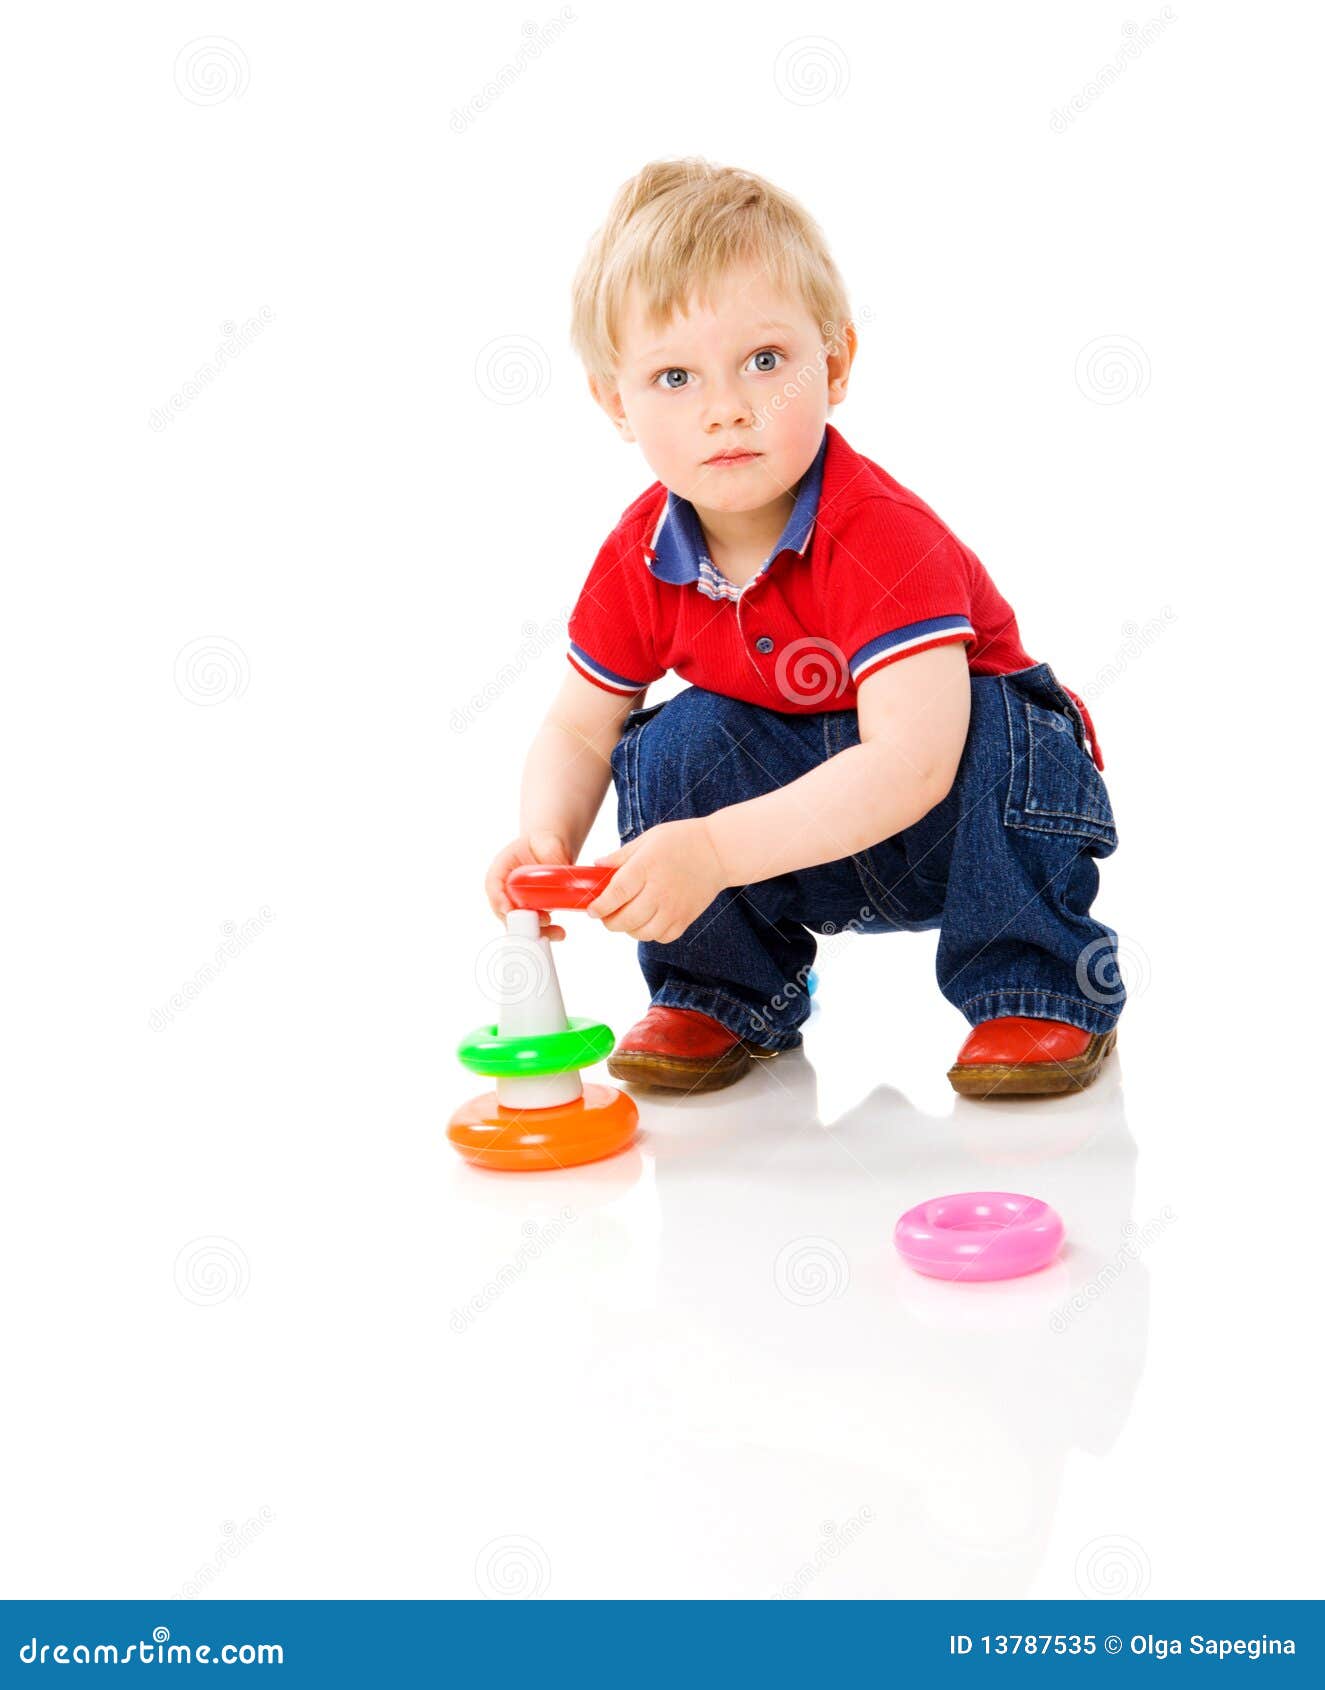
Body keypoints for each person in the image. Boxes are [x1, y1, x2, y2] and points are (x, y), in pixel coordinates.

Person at [484, 157, 1124, 1097]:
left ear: (835, 363)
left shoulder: (880, 536)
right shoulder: (639, 555)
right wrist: (545, 840)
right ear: (615, 403)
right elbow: (579, 724)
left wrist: (712, 850)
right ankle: (718, 989)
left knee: (997, 729)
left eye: (766, 362)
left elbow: (911, 764)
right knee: (669, 743)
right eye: (673, 376)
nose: (726, 408)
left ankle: (1030, 986)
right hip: (802, 833)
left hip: (962, 822)